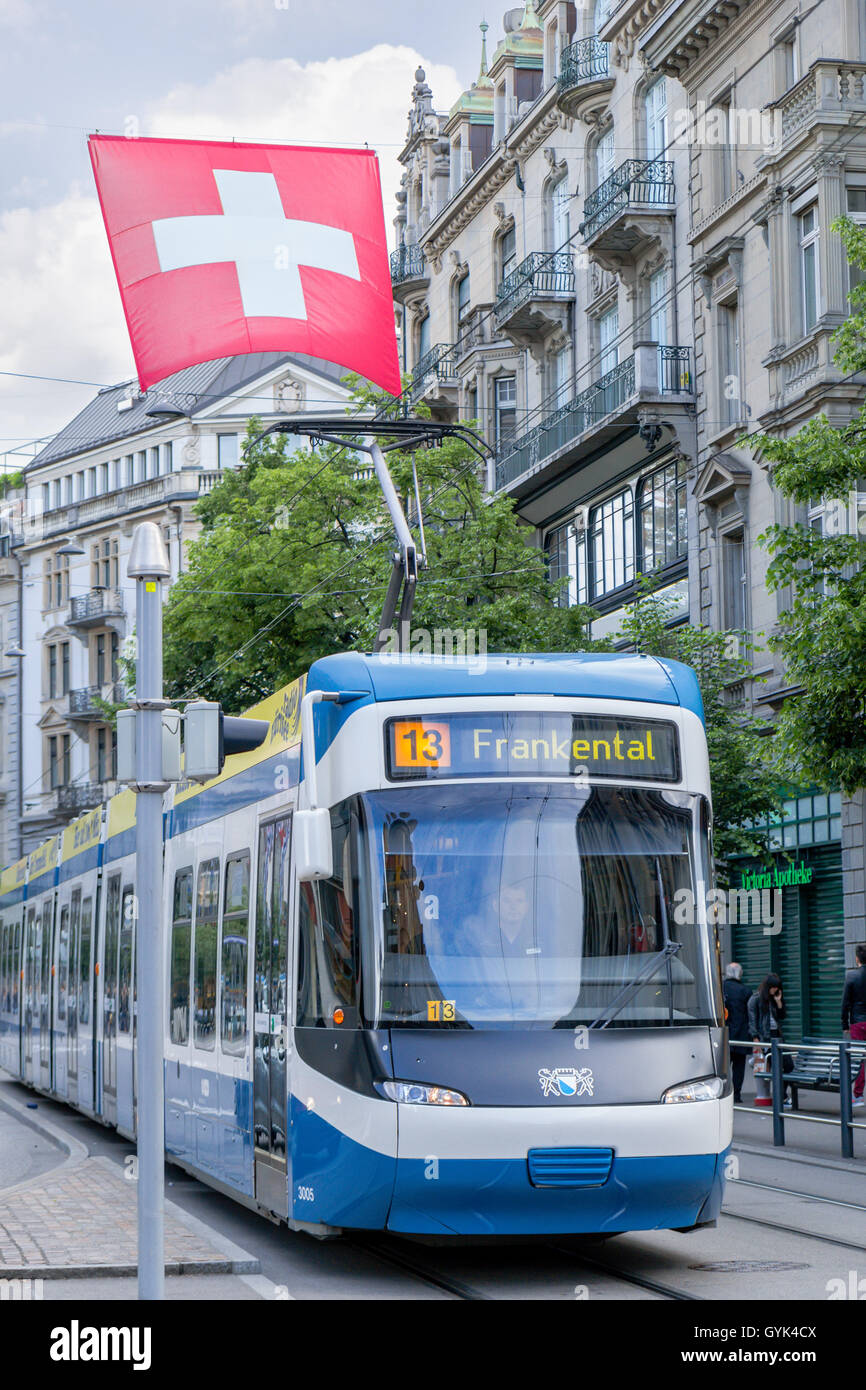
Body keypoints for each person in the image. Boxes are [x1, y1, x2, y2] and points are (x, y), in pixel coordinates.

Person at [748, 973, 794, 1108]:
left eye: (777, 987)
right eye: (773, 987)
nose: (775, 990)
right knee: (774, 1068)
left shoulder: (775, 998)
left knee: (788, 1066)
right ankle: (782, 1097)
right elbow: (752, 1020)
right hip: (764, 1038)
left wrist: (779, 1001)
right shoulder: (755, 999)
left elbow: (782, 1016)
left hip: (777, 1037)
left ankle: (782, 1095)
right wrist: (756, 1039)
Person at [841, 943, 866, 1109]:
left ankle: (858, 1095)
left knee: (860, 1060)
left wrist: (845, 1024)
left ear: (857, 958)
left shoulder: (851, 976)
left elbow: (845, 1003)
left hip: (858, 1022)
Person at [723, 962, 752, 1103]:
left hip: (724, 1033)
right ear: (740, 974)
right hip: (741, 1033)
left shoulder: (720, 988)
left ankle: (723, 1093)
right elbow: (750, 1014)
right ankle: (737, 1095)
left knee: (723, 1066)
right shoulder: (746, 991)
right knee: (739, 1067)